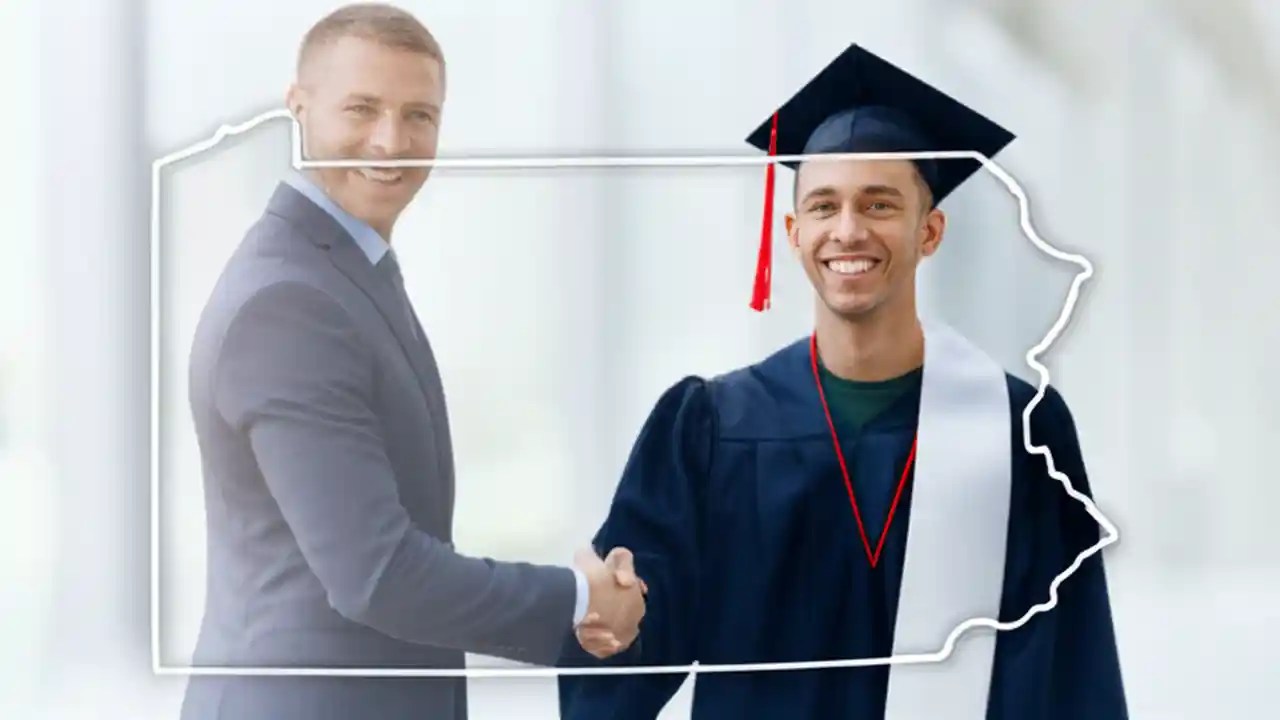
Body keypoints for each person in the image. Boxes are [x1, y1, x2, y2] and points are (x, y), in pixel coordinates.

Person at [558, 44, 1128, 719]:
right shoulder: (712, 429)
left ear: (930, 230)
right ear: (795, 232)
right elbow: (626, 649)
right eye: (824, 207)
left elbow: (1071, 668)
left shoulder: (1017, 429)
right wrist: (604, 628)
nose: (848, 230)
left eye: (880, 204)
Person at [178, 4, 643, 719]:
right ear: (297, 107)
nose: (391, 140)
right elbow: (378, 574)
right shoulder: (289, 303)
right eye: (361, 108)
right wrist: (578, 600)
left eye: (419, 115)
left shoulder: (342, 270)